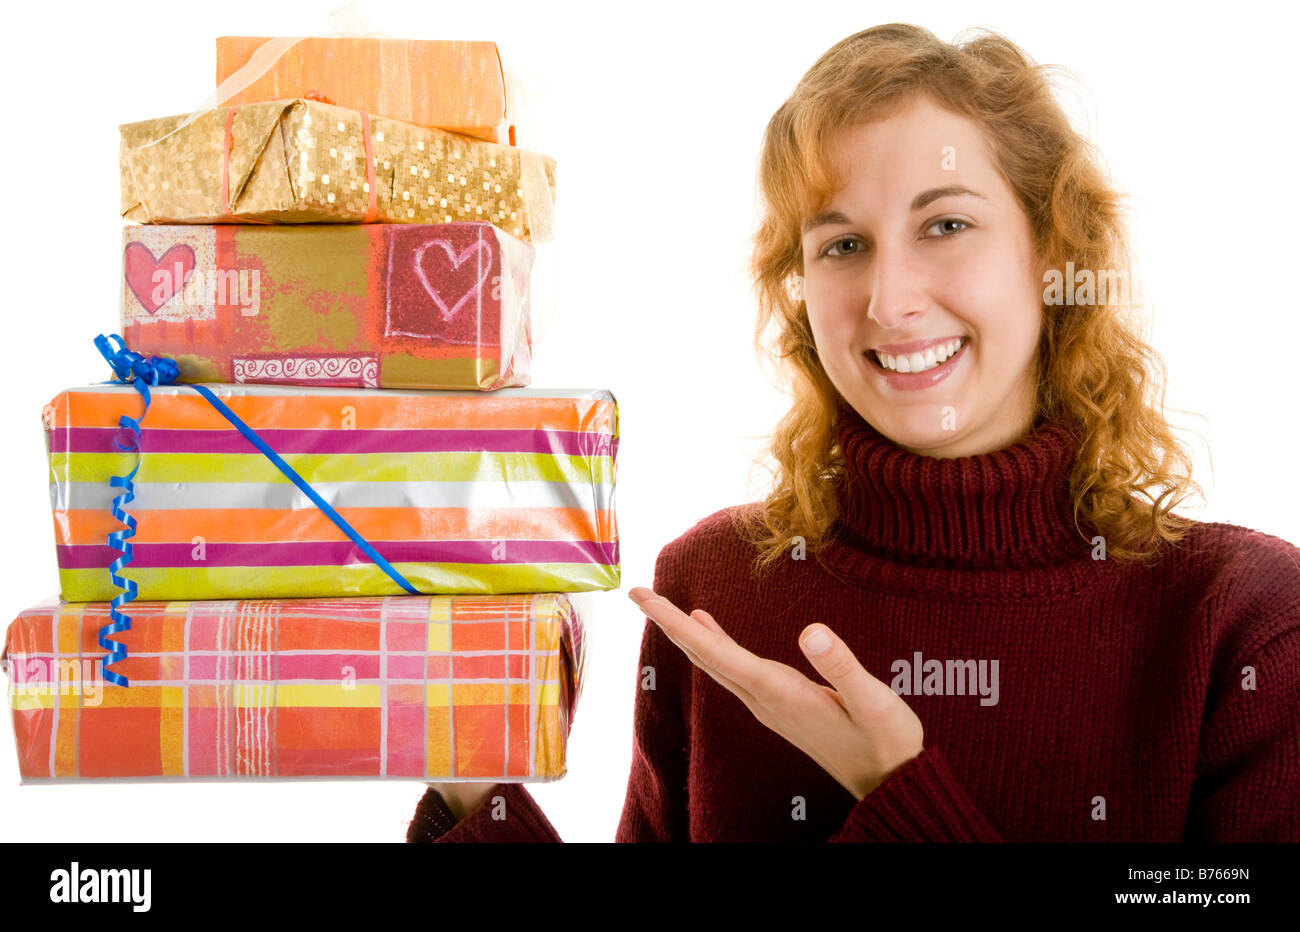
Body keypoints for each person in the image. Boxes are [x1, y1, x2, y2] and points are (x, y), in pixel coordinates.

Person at [407, 23, 1300, 843]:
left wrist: (894, 786)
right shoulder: (716, 590)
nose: (890, 300)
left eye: (946, 225)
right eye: (842, 245)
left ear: (1054, 253)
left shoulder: (1242, 623)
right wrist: (467, 780)